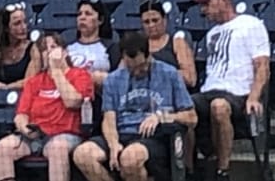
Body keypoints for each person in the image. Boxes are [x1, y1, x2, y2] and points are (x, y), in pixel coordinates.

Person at [74, 31, 197, 181]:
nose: (136, 72)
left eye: (141, 66)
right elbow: (109, 118)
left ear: (148, 56)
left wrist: (162, 117)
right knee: (83, 155)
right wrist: (113, 145)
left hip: (154, 137)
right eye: (131, 68)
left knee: (130, 158)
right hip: (122, 132)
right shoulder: (113, 80)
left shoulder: (170, 74)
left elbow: (191, 117)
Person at [193, 0, 269, 180]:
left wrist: (254, 97)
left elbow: (261, 65)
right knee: (183, 108)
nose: (204, 10)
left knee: (219, 107)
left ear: (222, 0)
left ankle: (222, 170)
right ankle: (189, 168)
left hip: (238, 91)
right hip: (210, 88)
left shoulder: (250, 24)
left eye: (207, 4)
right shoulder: (211, 34)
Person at [0, 31, 95, 181]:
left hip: (66, 134)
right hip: (36, 136)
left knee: (57, 149)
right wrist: (25, 128)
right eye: (45, 50)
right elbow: (21, 115)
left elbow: (72, 101)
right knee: (3, 147)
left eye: (53, 47)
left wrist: (56, 72)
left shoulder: (80, 75)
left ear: (65, 51)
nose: (49, 53)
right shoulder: (35, 82)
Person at [136, 0, 198, 91]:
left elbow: (190, 78)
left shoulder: (177, 42)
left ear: (164, 20)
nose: (151, 25)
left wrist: (158, 73)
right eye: (146, 22)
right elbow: (122, 74)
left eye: (155, 20)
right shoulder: (136, 44)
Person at [0, 3, 39, 89]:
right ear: (6, 28)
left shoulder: (33, 48)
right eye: (17, 23)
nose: (23, 27)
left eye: (25, 22)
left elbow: (30, 81)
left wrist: (6, 87)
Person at [67, 0, 113, 74]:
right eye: (79, 14)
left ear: (100, 20)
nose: (82, 17)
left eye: (88, 14)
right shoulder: (68, 48)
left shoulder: (111, 48)